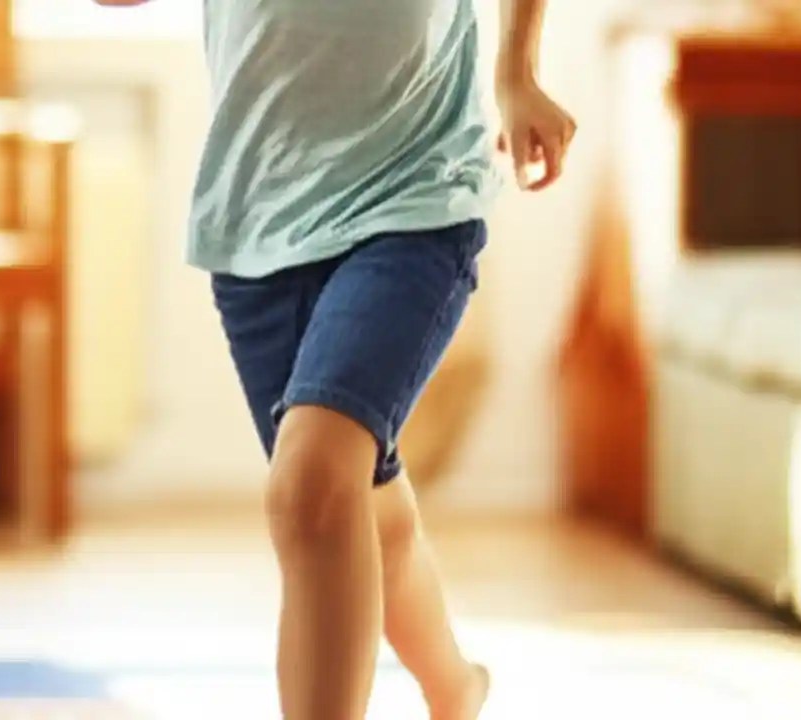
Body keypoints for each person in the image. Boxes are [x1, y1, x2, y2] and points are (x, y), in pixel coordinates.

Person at [97, 1, 575, 717]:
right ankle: (454, 686)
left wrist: (517, 67)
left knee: (314, 486)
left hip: (414, 199)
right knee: (360, 504)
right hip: (258, 219)